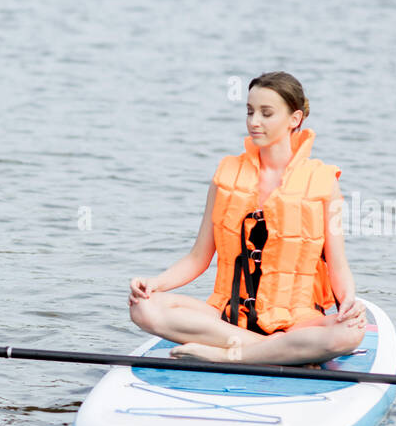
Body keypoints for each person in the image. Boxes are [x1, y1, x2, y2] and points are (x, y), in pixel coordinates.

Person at [128, 71, 367, 365]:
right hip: (228, 316)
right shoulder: (226, 176)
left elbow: (337, 264)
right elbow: (197, 258)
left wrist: (348, 304)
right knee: (143, 308)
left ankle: (226, 356)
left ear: (295, 119)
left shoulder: (324, 182)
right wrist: (153, 283)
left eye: (267, 113)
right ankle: (276, 350)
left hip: (299, 321)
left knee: (349, 333)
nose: (254, 121)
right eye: (250, 111)